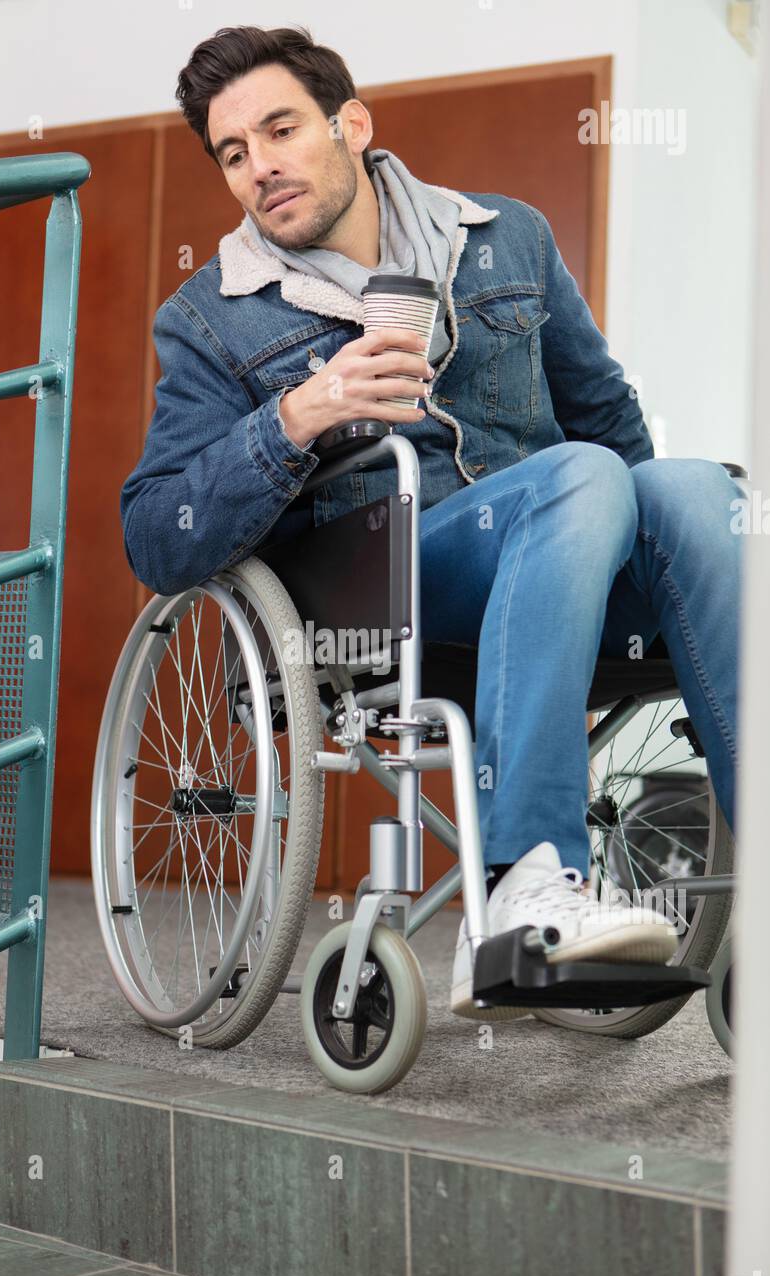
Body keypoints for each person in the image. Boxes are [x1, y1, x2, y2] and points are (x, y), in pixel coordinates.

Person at [120, 24, 741, 1020]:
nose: (257, 168)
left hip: (553, 549)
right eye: (232, 154)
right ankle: (523, 886)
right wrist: (302, 412)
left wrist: (638, 564)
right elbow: (156, 533)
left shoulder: (505, 236)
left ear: (349, 124)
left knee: (703, 490)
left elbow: (609, 421)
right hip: (387, 583)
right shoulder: (210, 316)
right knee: (575, 476)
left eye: (279, 130)